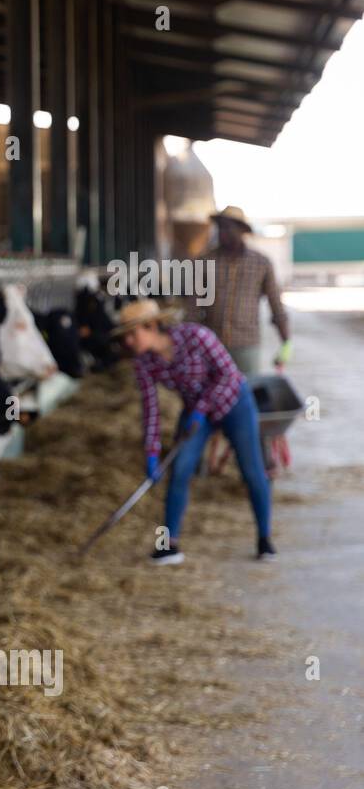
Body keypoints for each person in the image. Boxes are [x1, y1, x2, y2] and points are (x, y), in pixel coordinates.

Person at [113, 299, 275, 565]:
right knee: (179, 470)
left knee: (251, 470)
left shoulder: (197, 336)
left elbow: (228, 374)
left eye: (133, 333)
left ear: (152, 325)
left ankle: (265, 539)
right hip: (196, 413)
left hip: (234, 403)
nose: (129, 341)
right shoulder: (144, 363)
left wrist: (201, 408)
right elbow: (150, 409)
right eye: (126, 336)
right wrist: (151, 452)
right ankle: (169, 545)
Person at [187, 205, 291, 376]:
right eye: (219, 227)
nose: (222, 233)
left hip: (246, 345)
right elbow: (193, 306)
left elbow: (276, 305)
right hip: (212, 343)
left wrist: (286, 342)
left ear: (241, 230)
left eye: (227, 228)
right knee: (214, 394)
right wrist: (190, 343)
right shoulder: (204, 262)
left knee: (247, 391)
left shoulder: (261, 263)